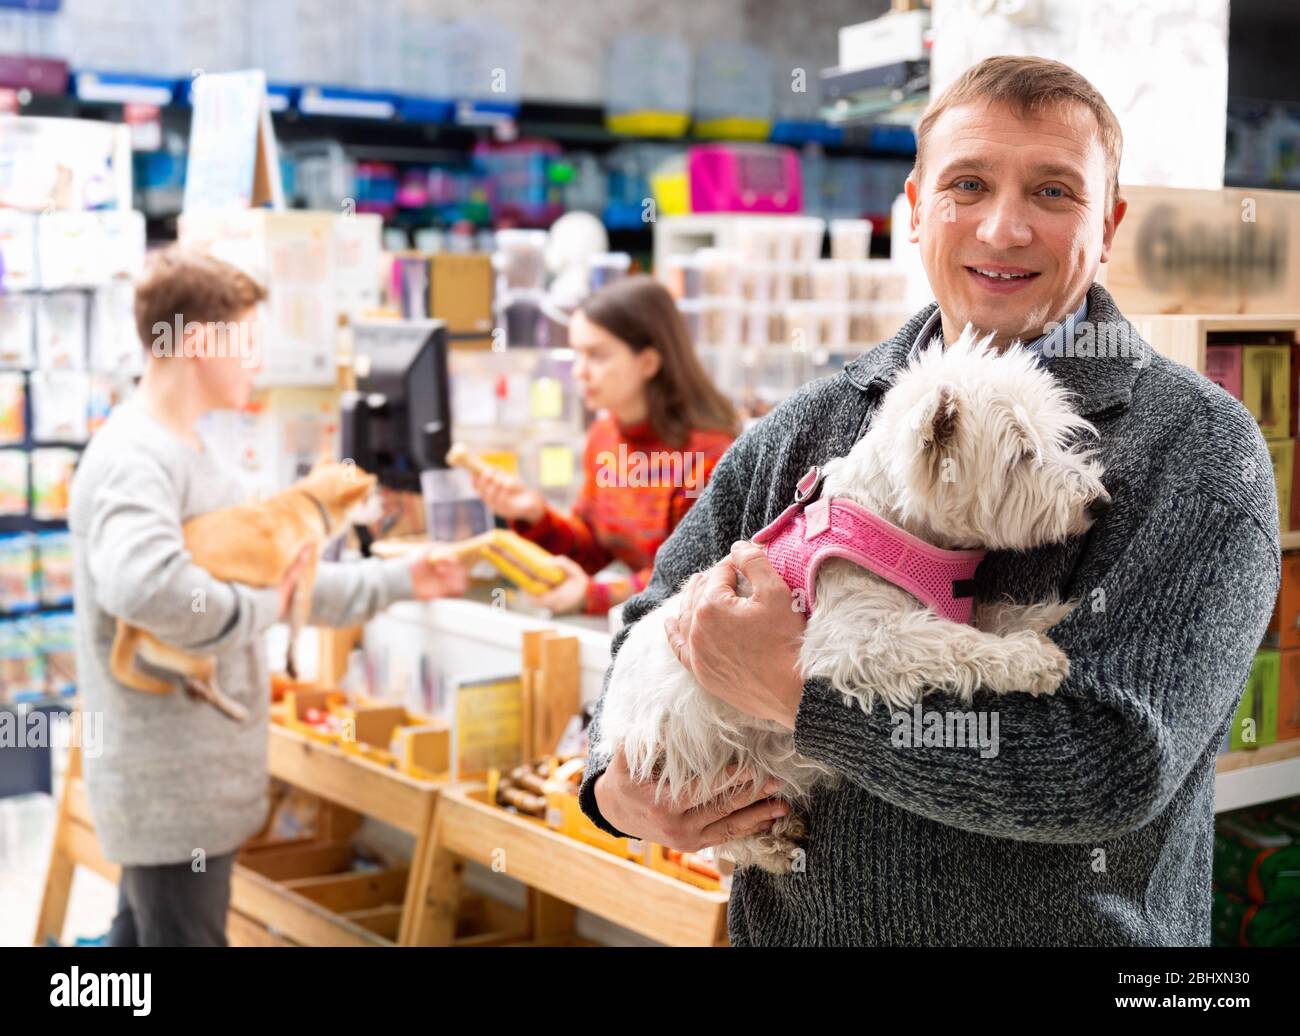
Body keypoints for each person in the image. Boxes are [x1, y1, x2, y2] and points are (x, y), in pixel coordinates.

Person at [580, 56, 1280, 946]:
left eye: (1055, 192)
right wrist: (613, 789)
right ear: (915, 209)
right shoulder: (807, 427)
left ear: (1108, 224)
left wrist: (803, 697)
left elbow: (1110, 770)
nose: (1004, 225)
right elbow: (644, 622)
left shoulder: (1197, 452)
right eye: (968, 184)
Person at [69, 247, 468, 947]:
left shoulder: (187, 448)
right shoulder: (137, 456)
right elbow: (148, 587)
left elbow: (274, 576)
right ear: (198, 342)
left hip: (187, 787)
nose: (259, 362)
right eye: (248, 342)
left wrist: (403, 579)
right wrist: (259, 610)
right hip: (171, 791)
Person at [470, 275, 740, 616]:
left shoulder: (707, 456)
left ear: (648, 362)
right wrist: (533, 514)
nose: (580, 372)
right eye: (577, 354)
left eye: (596, 356)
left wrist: (596, 594)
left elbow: (694, 577)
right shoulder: (604, 437)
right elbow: (591, 551)